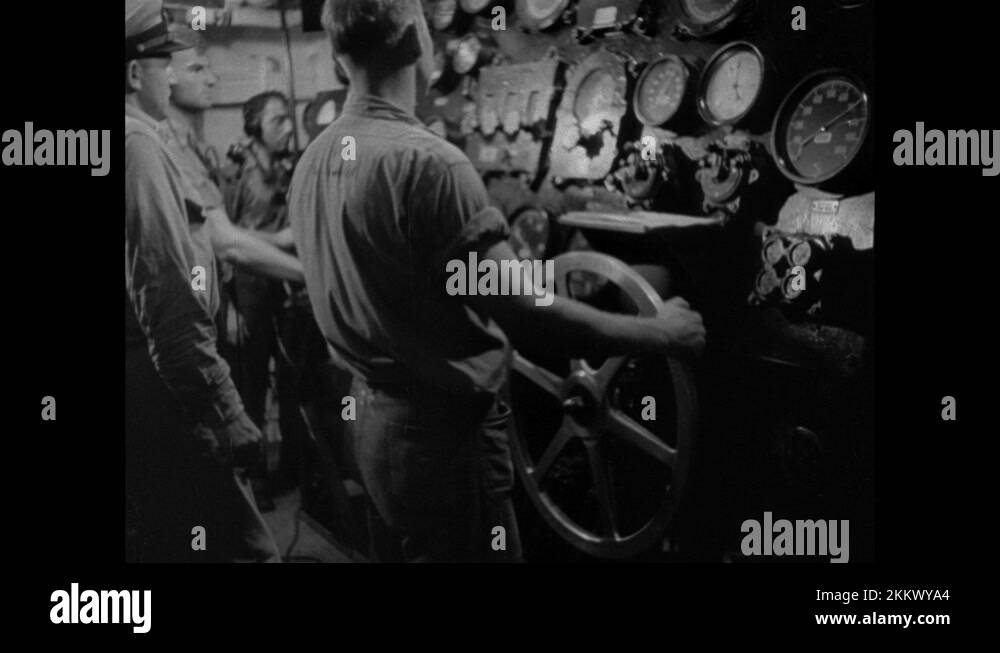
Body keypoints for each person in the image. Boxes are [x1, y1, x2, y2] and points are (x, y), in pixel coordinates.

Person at [287, 0, 706, 562]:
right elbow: (527, 314)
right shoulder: (430, 165)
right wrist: (663, 334)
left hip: (372, 427)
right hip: (443, 443)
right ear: (416, 37)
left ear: (339, 56)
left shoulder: (313, 161)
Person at [125, 0, 281, 563]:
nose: (171, 73)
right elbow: (167, 289)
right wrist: (227, 408)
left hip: (152, 369)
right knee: (217, 540)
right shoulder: (137, 144)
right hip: (164, 375)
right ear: (133, 73)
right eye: (164, 63)